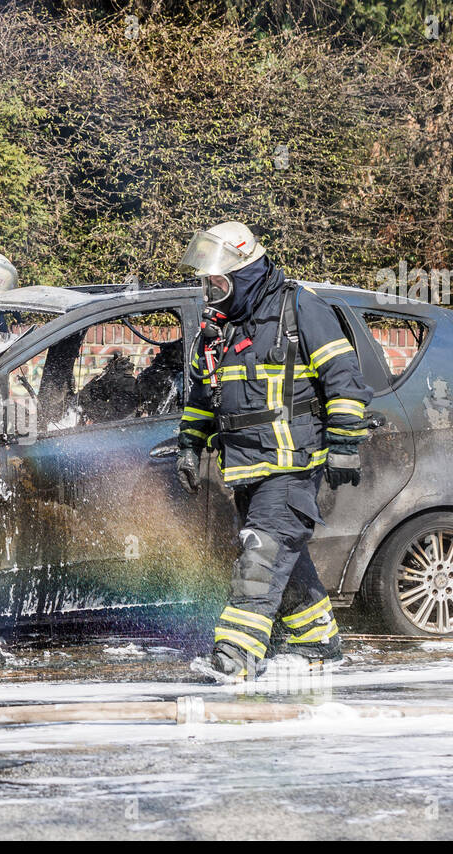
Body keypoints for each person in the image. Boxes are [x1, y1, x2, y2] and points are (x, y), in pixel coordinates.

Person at [174, 221, 374, 682]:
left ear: (244, 273)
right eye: (206, 281)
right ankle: (317, 643)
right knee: (284, 555)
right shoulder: (217, 330)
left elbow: (344, 379)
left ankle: (234, 657)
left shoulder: (301, 308)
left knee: (260, 558)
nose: (210, 290)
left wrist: (345, 442)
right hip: (245, 470)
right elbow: (204, 397)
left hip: (292, 466)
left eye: (218, 281)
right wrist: (190, 443)